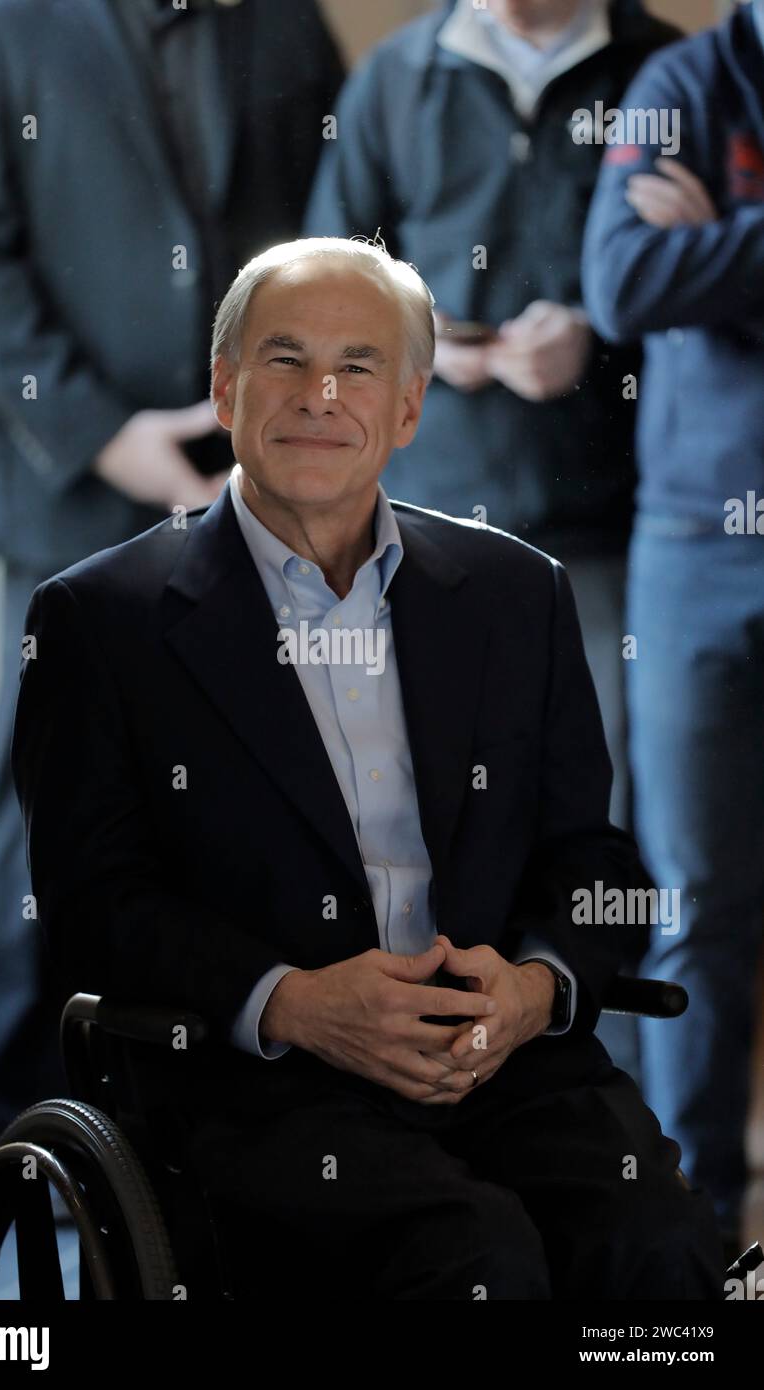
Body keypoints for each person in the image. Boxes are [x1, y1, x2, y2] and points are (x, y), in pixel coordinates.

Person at [11, 237, 724, 1299]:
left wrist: (533, 989)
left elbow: (592, 859)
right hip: (255, 1084)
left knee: (657, 1252)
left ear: (407, 409)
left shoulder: (514, 593)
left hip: (500, 1058)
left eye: (358, 367)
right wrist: (294, 1003)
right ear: (223, 387)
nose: (319, 397)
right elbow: (91, 908)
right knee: (473, 1257)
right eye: (284, 360)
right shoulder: (96, 620)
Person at [0, 0, 343, 1139]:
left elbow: (333, 230)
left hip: (248, 483)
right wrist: (106, 433)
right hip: (71, 487)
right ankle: (21, 1124)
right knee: (43, 814)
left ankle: (176, 1118)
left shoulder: (286, 21)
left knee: (221, 804)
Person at [304, 0, 680, 839]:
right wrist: (419, 346)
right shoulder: (395, 79)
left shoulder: (663, 71)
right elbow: (323, 286)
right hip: (423, 518)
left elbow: (700, 289)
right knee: (430, 808)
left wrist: (595, 334)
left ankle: (573, 975)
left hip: (610, 514)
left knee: (601, 800)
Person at [582, 0, 764, 1259]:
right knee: (694, 894)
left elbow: (681, 274)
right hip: (694, 551)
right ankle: (694, 1223)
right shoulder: (675, 81)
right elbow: (619, 279)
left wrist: (731, 244)